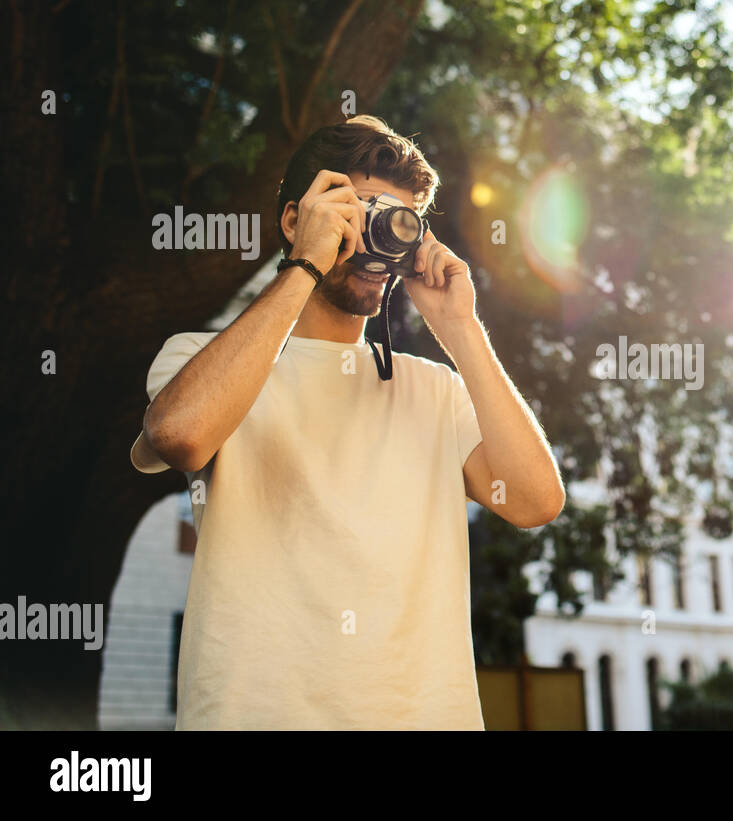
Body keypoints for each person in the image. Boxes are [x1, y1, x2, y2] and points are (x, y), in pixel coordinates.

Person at [129, 115, 565, 730]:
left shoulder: (435, 390)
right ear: (293, 220)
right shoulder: (199, 360)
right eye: (357, 212)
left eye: (395, 220)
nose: (373, 236)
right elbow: (179, 435)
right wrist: (306, 262)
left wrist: (460, 330)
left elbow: (536, 501)